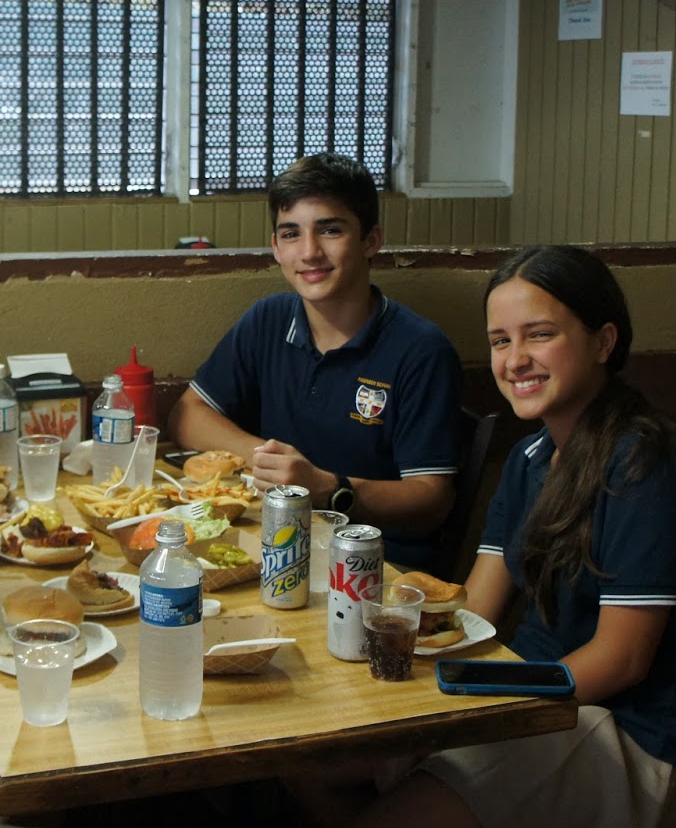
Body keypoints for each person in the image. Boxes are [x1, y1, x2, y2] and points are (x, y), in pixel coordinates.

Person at [307, 244, 676, 828]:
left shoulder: (643, 462)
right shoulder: (533, 458)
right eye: (501, 341)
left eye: (540, 335)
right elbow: (473, 609)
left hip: (631, 735)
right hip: (531, 697)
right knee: (303, 765)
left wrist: (479, 709)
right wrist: (403, 630)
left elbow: (622, 660)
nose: (515, 360)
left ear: (604, 341)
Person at [169, 152, 462, 568]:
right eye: (291, 234)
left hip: (376, 568)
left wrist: (327, 488)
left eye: (330, 230)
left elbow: (431, 497)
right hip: (279, 545)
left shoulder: (420, 349)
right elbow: (187, 415)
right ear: (275, 247)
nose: (309, 252)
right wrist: (275, 465)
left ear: (370, 240)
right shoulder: (268, 319)